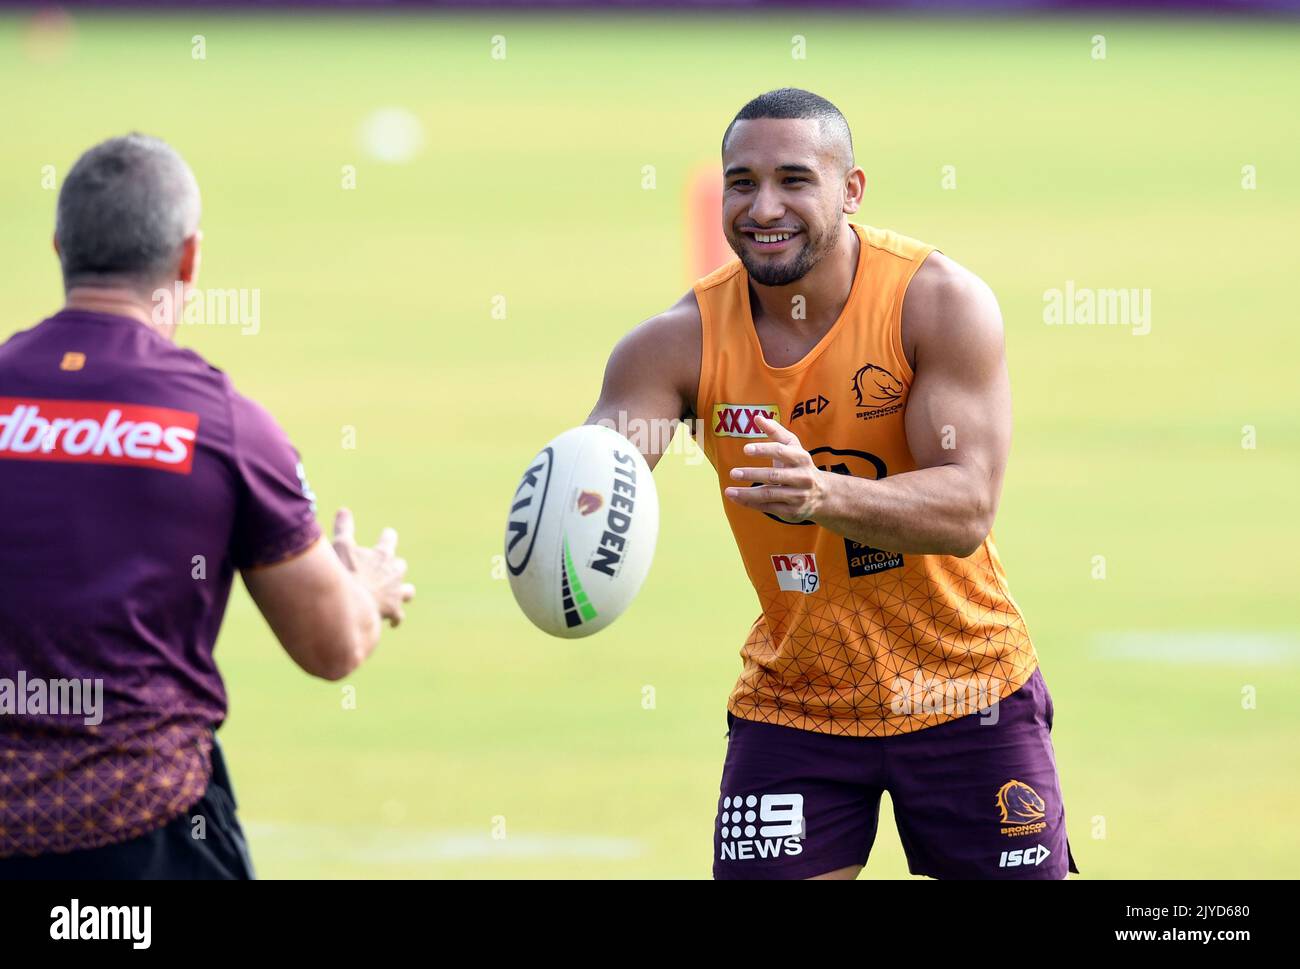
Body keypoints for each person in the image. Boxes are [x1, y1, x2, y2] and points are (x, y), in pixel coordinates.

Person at [586, 89, 1077, 879]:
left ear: (850, 190)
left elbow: (966, 506)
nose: (762, 206)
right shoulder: (676, 345)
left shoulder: (937, 302)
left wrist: (819, 494)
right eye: (741, 183)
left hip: (965, 688)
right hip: (798, 699)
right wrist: (566, 518)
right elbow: (603, 473)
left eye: (793, 180)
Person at [0, 134, 414, 878]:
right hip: (147, 841)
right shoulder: (221, 425)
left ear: (61, 247)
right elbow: (333, 646)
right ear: (189, 260)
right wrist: (364, 586)